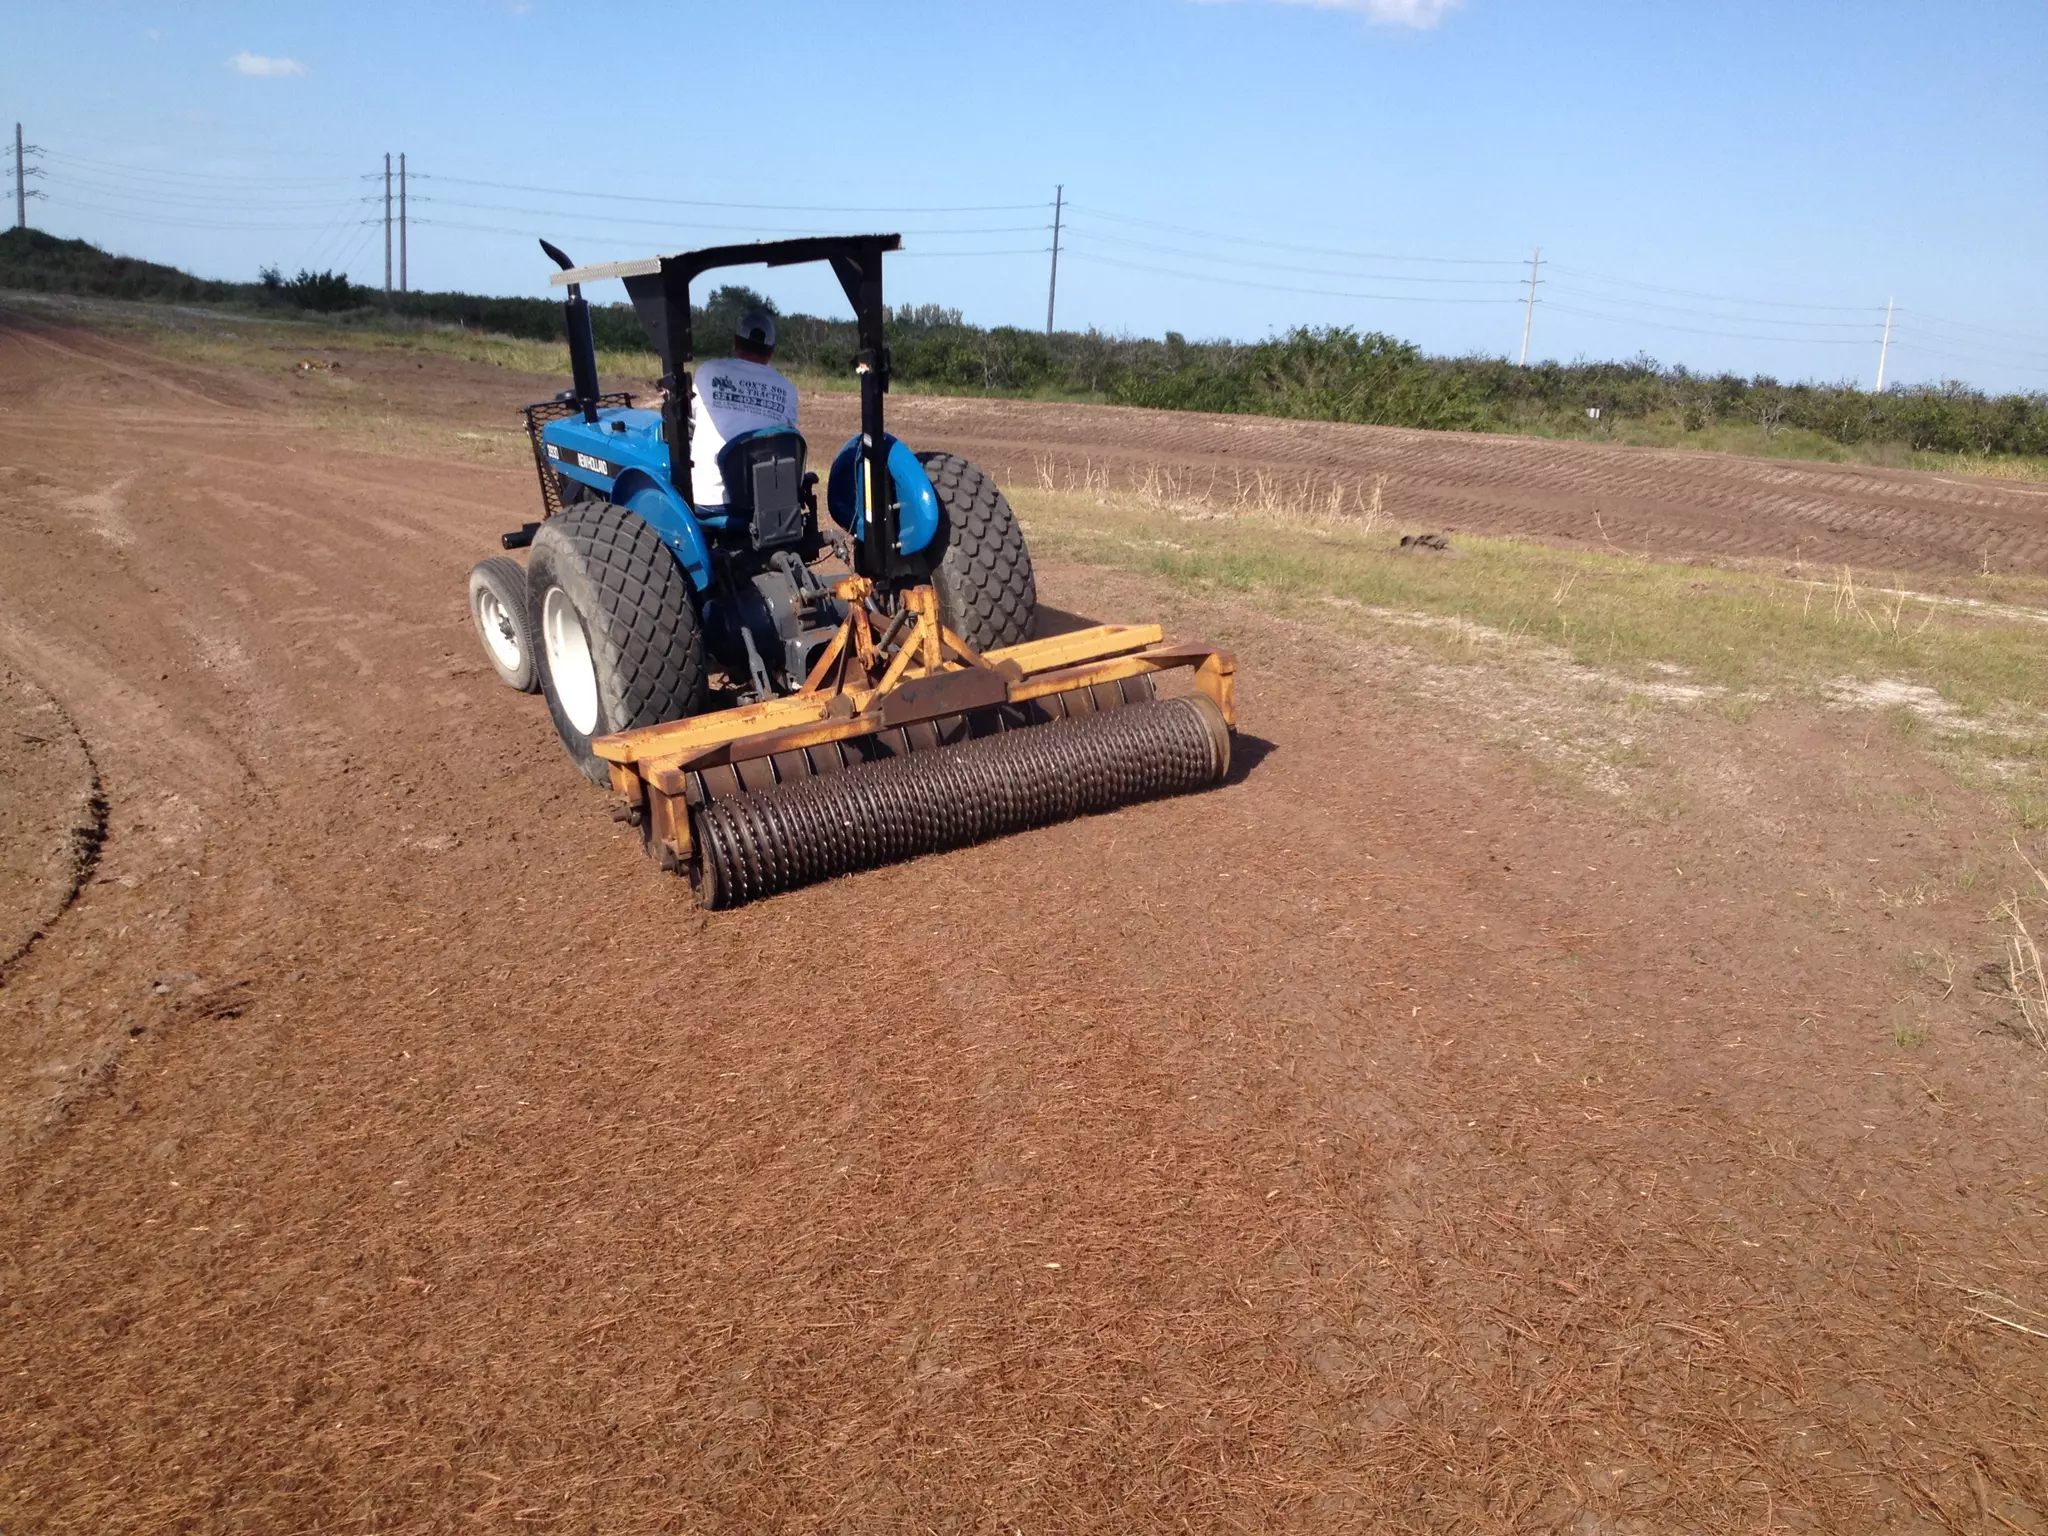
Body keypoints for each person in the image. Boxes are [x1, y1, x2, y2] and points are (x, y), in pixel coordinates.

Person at [688, 309, 798, 509]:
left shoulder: (708, 371)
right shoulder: (787, 389)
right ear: (771, 351)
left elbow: (691, 420)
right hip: (766, 503)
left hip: (710, 500)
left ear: (736, 342)